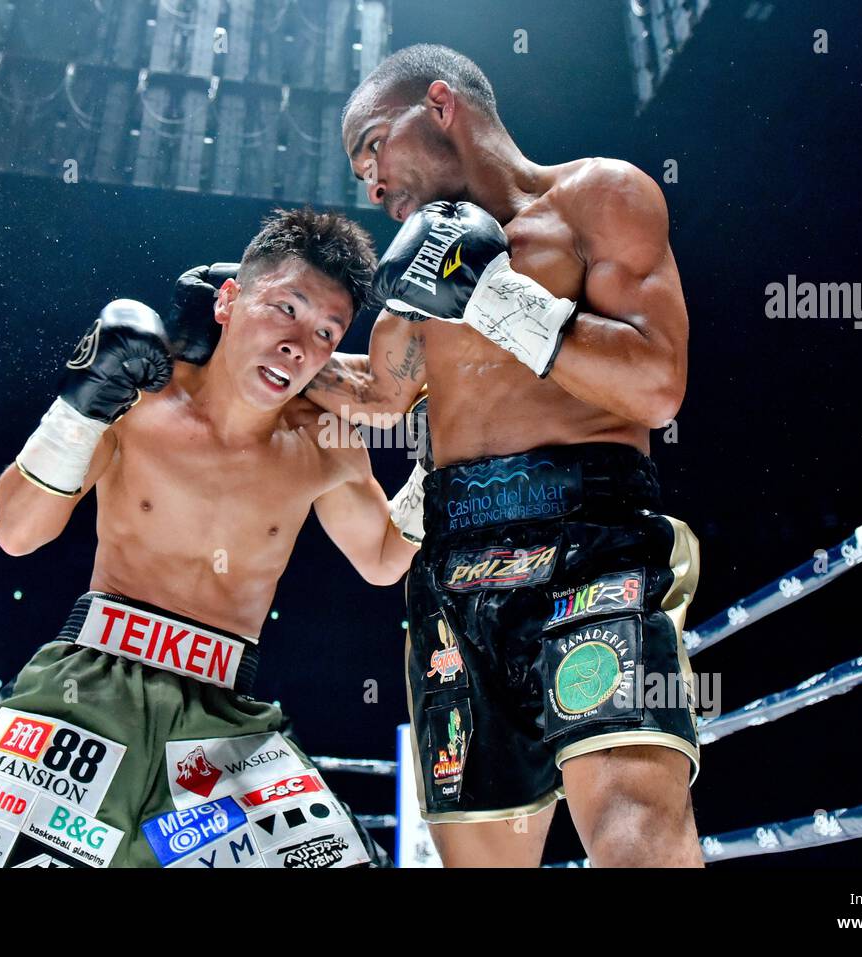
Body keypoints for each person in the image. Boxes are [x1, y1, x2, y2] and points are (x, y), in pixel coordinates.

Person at [0, 207, 417, 869]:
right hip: (84, 696)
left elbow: (381, 558)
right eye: (285, 308)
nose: (299, 344)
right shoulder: (139, 399)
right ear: (229, 299)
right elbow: (16, 531)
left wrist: (442, 466)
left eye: (325, 331)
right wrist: (78, 408)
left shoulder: (325, 445)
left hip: (225, 726)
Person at [308, 44, 703, 867]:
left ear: (440, 104)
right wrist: (244, 337)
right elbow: (378, 398)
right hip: (455, 574)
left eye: (374, 146)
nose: (371, 184)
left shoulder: (599, 198)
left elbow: (659, 385)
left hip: (592, 546)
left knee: (634, 818)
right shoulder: (414, 279)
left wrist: (495, 295)